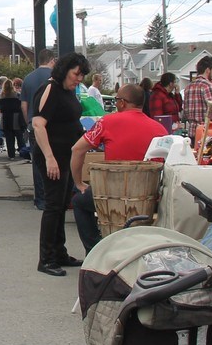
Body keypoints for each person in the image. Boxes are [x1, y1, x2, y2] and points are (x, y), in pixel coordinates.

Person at [68, 84, 167, 253]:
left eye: (116, 100)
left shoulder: (107, 122)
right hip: (148, 200)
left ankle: (95, 251)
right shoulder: (160, 129)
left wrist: (78, 183)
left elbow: (77, 149)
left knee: (79, 201)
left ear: (122, 102)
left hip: (112, 196)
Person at [31, 52, 88, 276]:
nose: (79, 79)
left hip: (66, 155)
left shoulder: (68, 91)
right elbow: (38, 125)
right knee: (53, 206)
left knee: (63, 204)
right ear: (65, 70)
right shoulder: (50, 89)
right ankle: (45, 259)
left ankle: (59, 252)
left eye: (82, 75)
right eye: (76, 74)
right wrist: (49, 157)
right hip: (51, 156)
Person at [22, 49, 56, 210]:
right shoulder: (55, 78)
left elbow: (24, 105)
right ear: (52, 60)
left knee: (37, 163)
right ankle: (53, 197)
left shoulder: (28, 78)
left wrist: (28, 121)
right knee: (55, 160)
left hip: (33, 125)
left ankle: (40, 199)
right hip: (53, 125)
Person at [182, 56, 212, 127]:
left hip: (192, 129)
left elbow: (185, 112)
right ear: (208, 70)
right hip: (205, 129)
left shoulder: (188, 87)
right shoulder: (207, 85)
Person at [0, 79, 24, 160]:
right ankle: (23, 153)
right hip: (16, 117)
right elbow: (23, 104)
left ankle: (11, 155)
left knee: (9, 138)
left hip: (5, 118)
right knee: (20, 137)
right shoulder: (17, 95)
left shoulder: (1, 96)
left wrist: (1, 110)